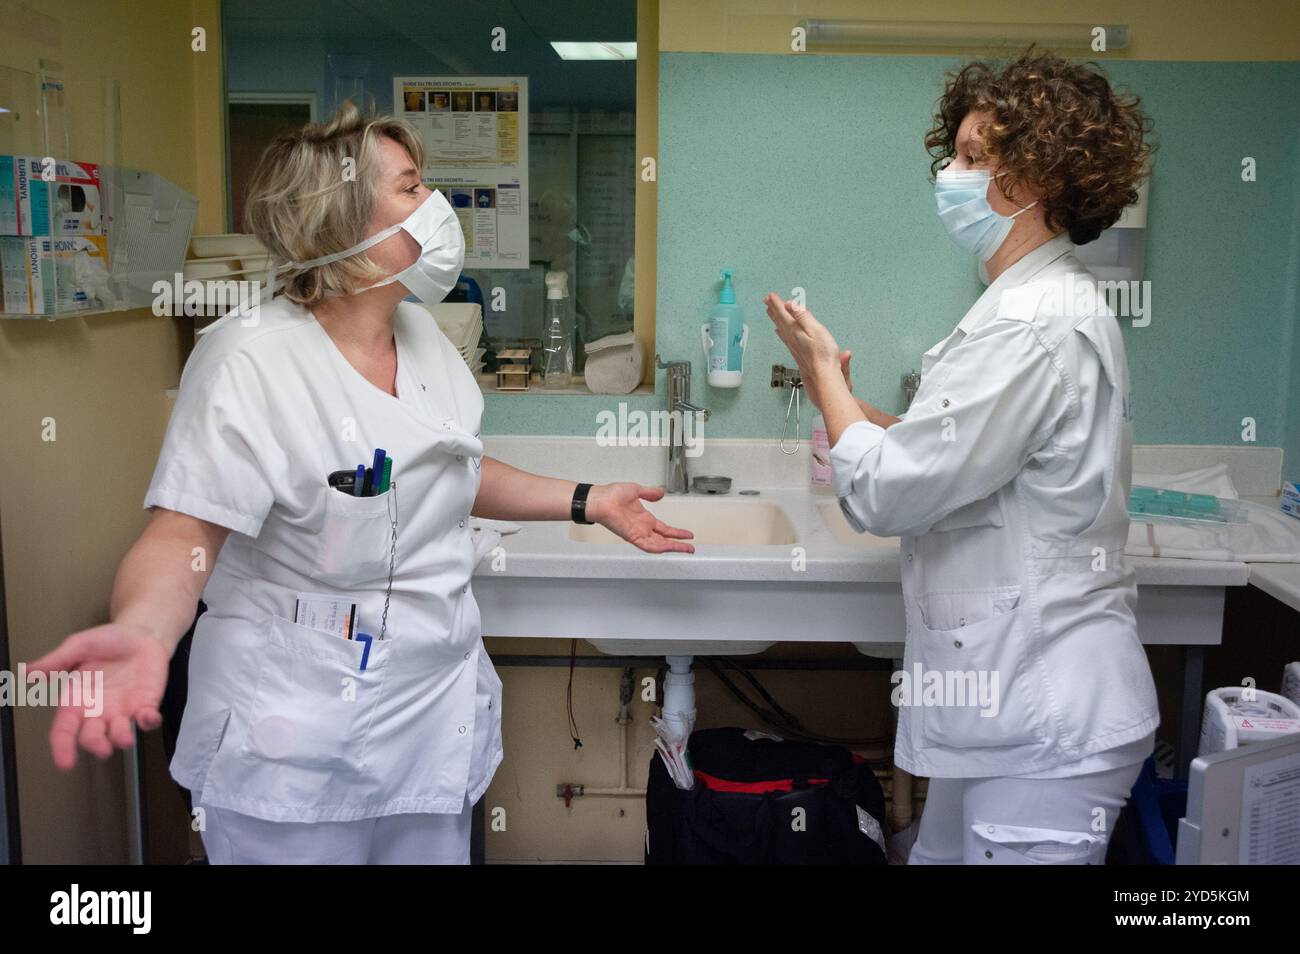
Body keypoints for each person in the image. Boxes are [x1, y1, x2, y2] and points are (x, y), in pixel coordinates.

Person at [29, 103, 694, 864]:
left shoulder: (422, 336)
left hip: (425, 724)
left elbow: (450, 471)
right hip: (296, 745)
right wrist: (146, 631)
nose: (437, 208)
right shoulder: (251, 360)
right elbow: (183, 536)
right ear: (340, 224)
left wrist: (588, 500)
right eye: (411, 188)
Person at [766, 52, 1158, 864]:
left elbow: (883, 493)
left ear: (1033, 180)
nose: (950, 172)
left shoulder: (1029, 322)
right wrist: (854, 405)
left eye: (975, 158)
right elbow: (946, 453)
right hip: (1014, 710)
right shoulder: (1036, 303)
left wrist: (821, 376)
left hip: (1046, 719)